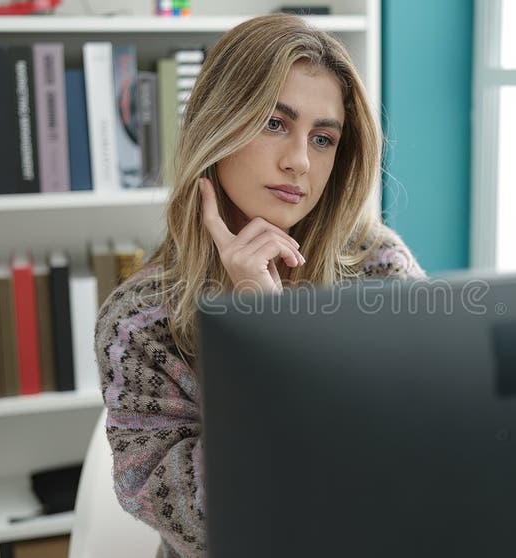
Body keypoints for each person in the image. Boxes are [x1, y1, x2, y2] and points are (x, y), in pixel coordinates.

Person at [94, 13, 426, 557]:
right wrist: (264, 340)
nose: (299, 161)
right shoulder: (139, 321)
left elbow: (427, 448)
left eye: (323, 139)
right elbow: (207, 522)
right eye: (274, 123)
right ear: (219, 123)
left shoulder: (377, 265)